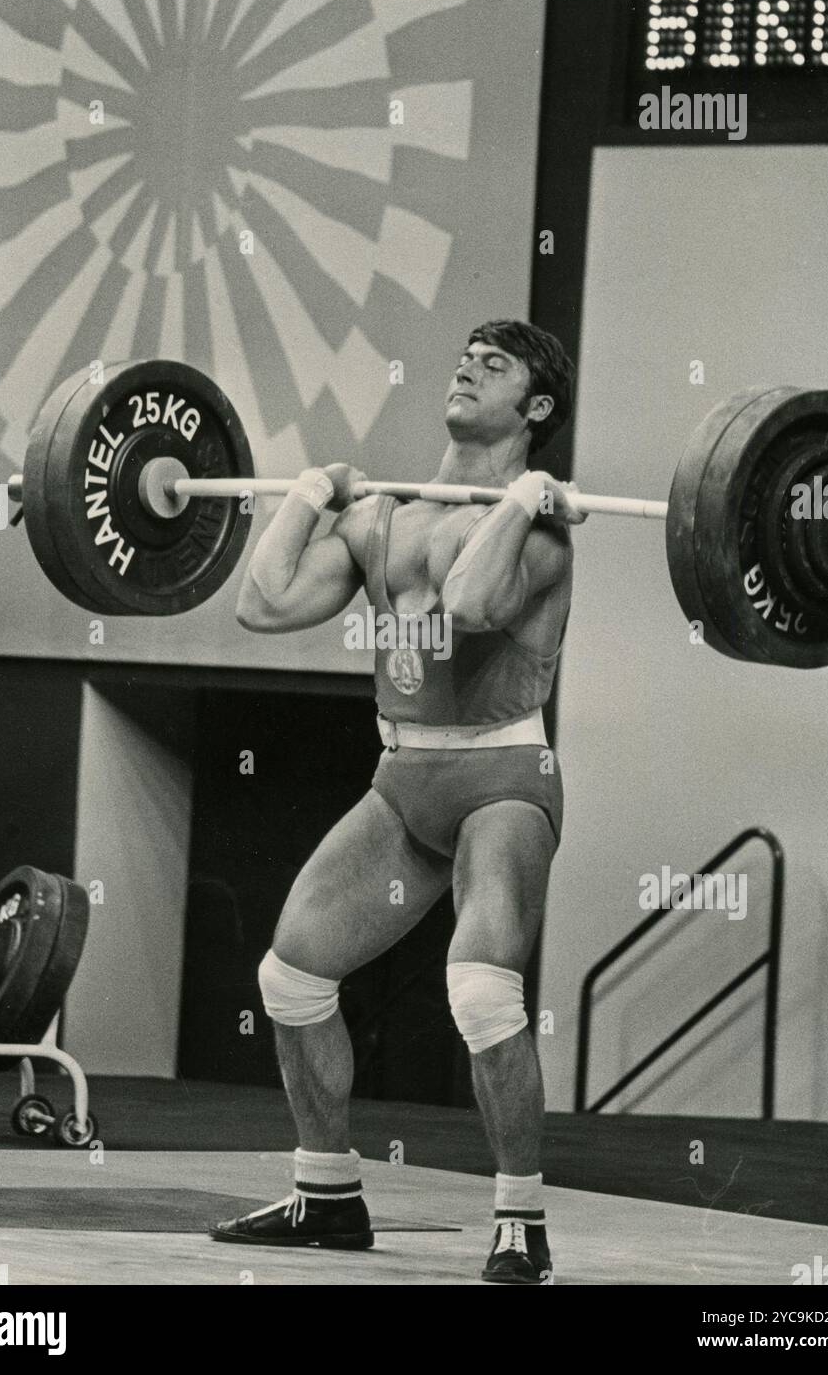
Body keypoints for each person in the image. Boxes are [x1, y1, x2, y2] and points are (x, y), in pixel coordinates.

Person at [211, 320, 584, 1284]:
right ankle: (327, 1195)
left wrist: (519, 502)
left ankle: (519, 1221)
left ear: (534, 410)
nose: (466, 370)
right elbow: (265, 603)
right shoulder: (383, 517)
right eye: (465, 357)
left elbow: (465, 605)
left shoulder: (540, 532)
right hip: (404, 778)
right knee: (290, 979)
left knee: (480, 991)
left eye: (493, 366)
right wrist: (303, 498)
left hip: (502, 779)